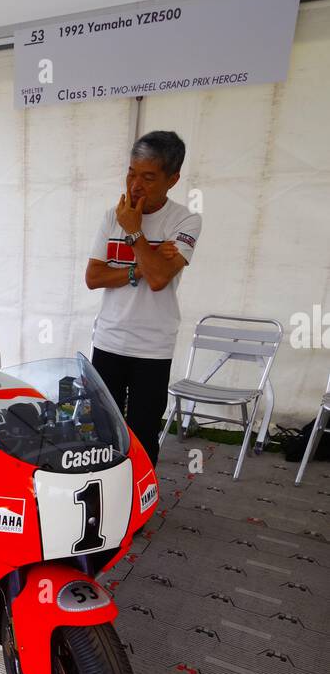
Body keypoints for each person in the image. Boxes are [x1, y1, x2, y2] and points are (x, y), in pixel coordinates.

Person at [85, 130, 202, 466]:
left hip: (152, 347)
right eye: (131, 173)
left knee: (143, 434)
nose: (135, 185)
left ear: (172, 179)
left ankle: (140, 495)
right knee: (101, 432)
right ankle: (104, 492)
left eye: (148, 178)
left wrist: (134, 232)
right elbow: (93, 278)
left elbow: (161, 279)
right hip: (108, 339)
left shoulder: (185, 220)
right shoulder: (113, 216)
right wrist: (143, 266)